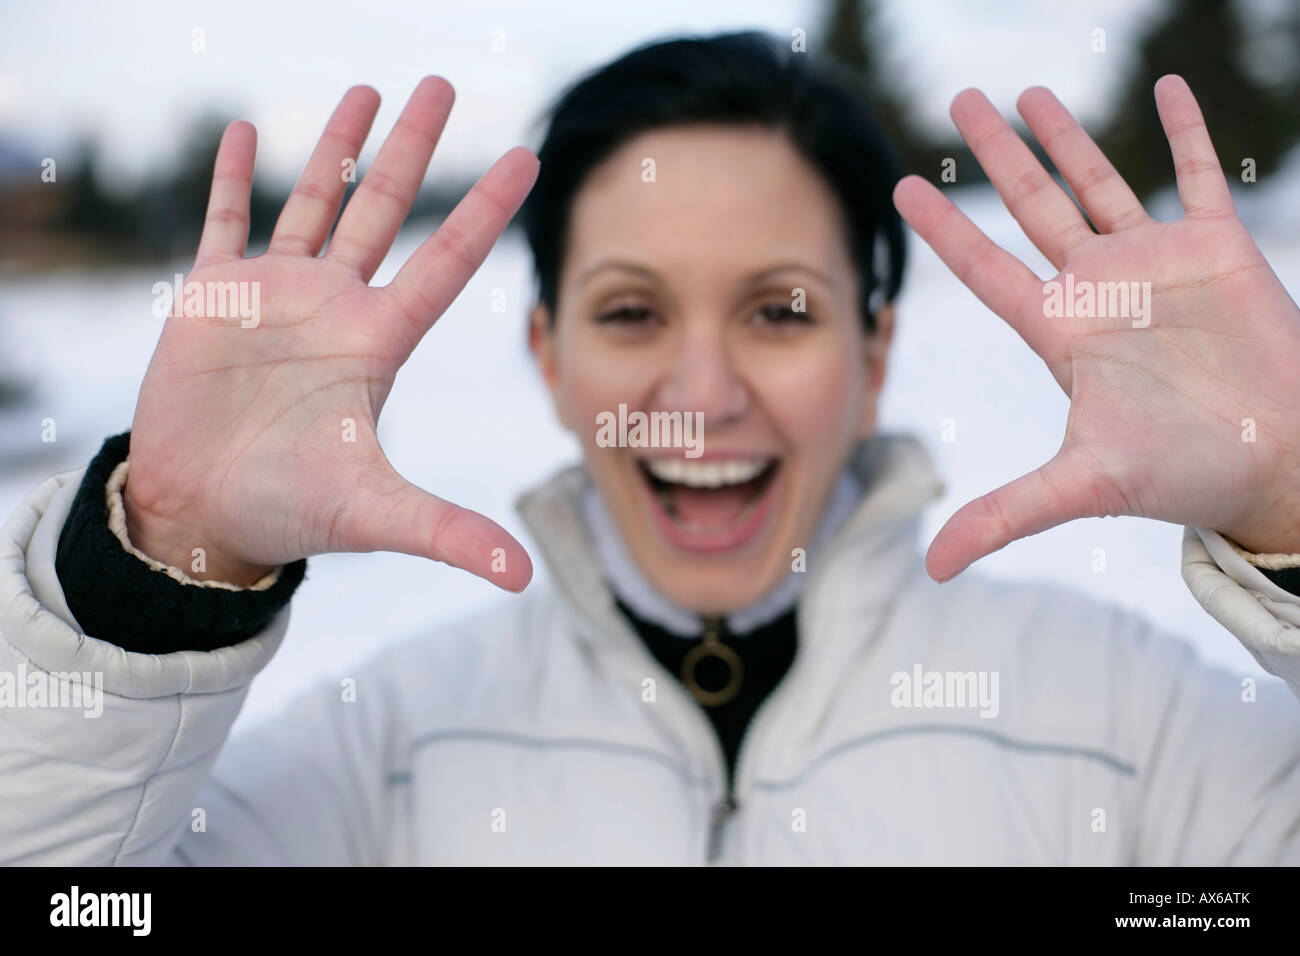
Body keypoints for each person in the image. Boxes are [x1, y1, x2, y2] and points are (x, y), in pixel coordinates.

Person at [3, 31, 1300, 866]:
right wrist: (164, 563)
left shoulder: (1142, 731)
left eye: (779, 310)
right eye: (630, 313)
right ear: (550, 354)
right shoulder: (378, 752)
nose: (700, 392)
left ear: (879, 346)